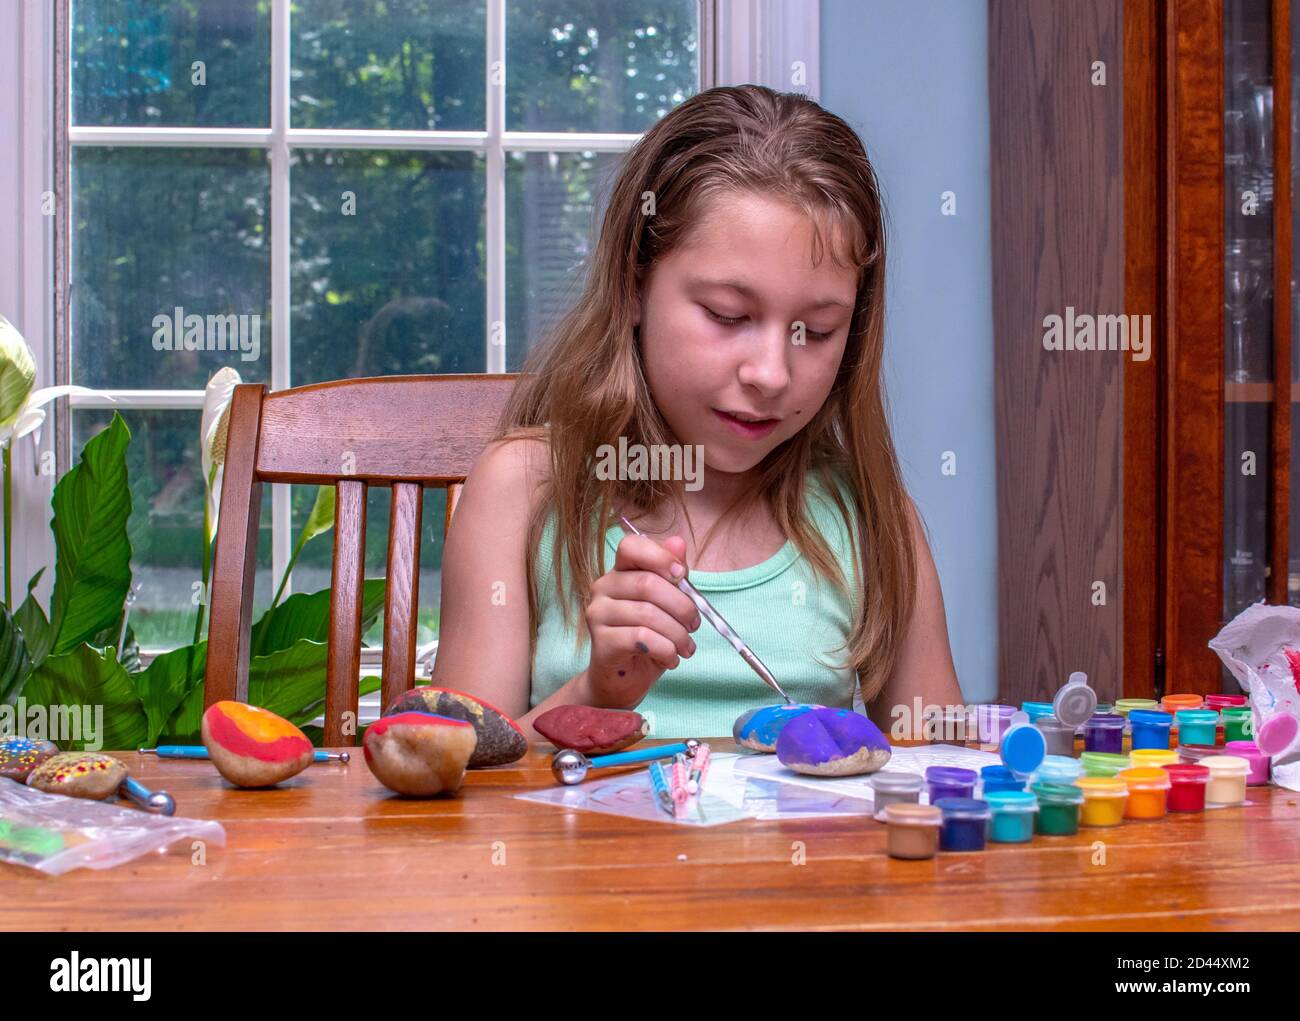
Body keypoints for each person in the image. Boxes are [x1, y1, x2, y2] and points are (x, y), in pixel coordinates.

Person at [432, 84, 964, 740]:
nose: (770, 373)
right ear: (634, 285)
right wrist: (598, 692)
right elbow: (459, 799)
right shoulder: (522, 489)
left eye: (818, 330)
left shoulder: (873, 521)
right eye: (727, 315)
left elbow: (940, 782)